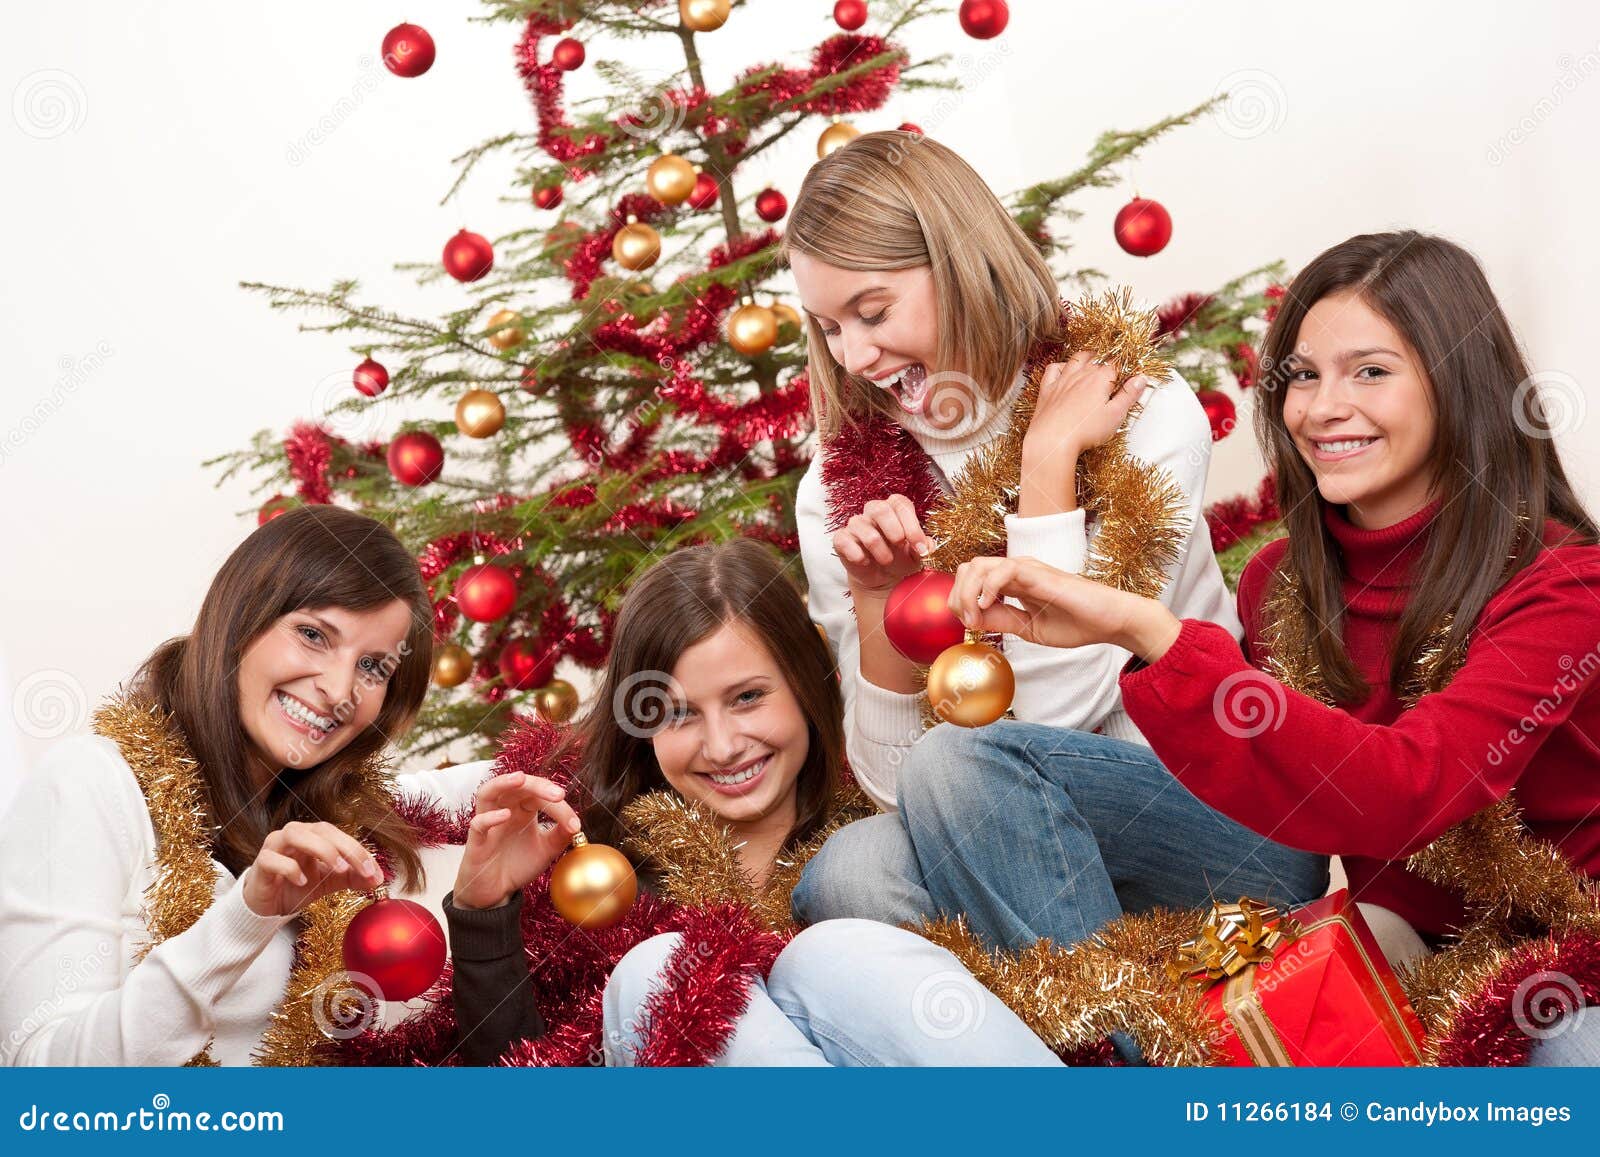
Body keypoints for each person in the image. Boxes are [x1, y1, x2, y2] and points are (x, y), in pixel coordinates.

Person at [929, 231, 1600, 1065]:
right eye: (1303, 375)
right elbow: (1281, 777)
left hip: (1559, 951)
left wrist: (1145, 628)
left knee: (1575, 1053)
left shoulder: (1566, 586)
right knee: (941, 780)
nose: (1323, 408)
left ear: (1457, 384)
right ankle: (1135, 1076)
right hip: (1376, 917)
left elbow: (1414, 786)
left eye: (1371, 372)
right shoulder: (1282, 579)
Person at [783, 130, 1328, 937]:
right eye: (828, 327)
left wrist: (1046, 468)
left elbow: (1057, 718)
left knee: (958, 766)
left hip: (1216, 817)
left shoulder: (1134, 407)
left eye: (873, 312)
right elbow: (898, 786)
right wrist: (878, 602)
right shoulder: (838, 491)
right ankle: (1076, 1046)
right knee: (852, 872)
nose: (855, 354)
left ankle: (1124, 1051)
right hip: (988, 823)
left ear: (961, 265)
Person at [442, 539, 1062, 1066]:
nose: (723, 746)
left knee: (837, 952)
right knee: (660, 969)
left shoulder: (884, 846)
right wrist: (484, 911)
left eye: (747, 698)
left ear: (805, 683)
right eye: (679, 714)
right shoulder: (596, 876)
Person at [0, 505, 499, 1066]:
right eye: (313, 635)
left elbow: (448, 791)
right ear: (240, 619)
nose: (339, 690)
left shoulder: (322, 811)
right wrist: (245, 917)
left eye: (373, 668)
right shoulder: (89, 786)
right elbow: (39, 1086)